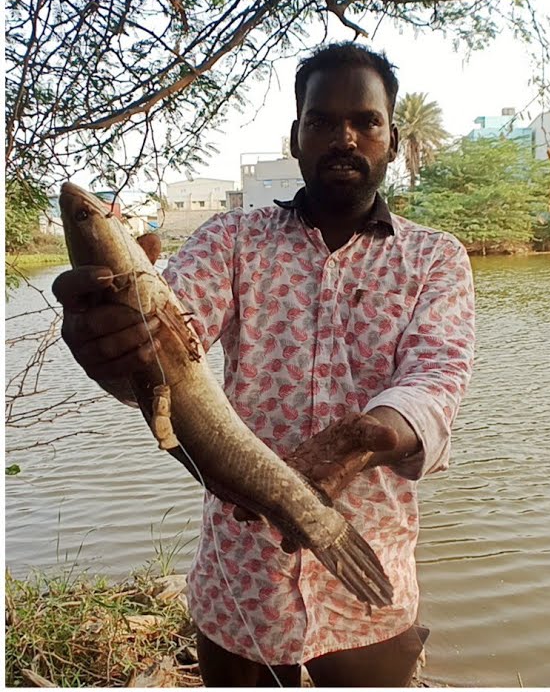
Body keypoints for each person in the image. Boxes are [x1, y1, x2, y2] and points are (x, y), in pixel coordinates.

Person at [52, 42, 475, 686]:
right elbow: (166, 348)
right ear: (295, 137)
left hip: (369, 569)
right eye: (321, 121)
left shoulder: (436, 259)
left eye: (366, 121)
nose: (344, 137)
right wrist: (106, 345)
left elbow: (436, 379)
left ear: (391, 140)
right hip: (241, 577)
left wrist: (367, 436)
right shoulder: (230, 240)